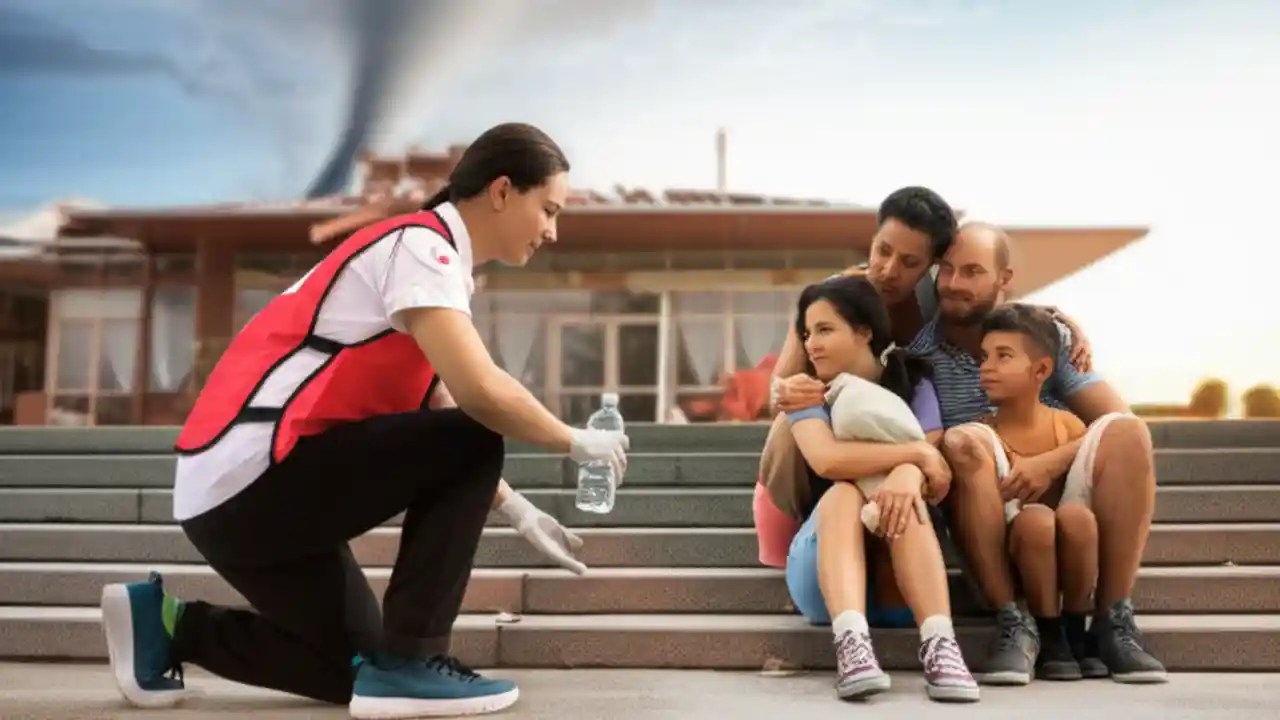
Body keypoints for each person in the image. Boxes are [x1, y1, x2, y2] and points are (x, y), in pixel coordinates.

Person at [97, 123, 631, 719]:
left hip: (232, 496)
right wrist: (575, 440)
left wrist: (515, 507)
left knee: (356, 668)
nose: (553, 230)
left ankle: (169, 627)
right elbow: (479, 394)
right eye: (549, 208)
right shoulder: (422, 249)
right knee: (477, 437)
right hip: (253, 477)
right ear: (503, 191)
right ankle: (414, 663)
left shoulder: (431, 265)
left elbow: (438, 410)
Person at [914, 221, 1165, 685]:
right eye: (945, 270)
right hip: (989, 501)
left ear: (1003, 280)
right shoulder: (919, 354)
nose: (953, 284)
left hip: (1063, 495)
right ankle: (1015, 621)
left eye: (972, 271)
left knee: (1129, 433)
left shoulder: (1044, 336)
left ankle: (1111, 621)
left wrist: (1049, 461)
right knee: (961, 442)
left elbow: (1115, 422)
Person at [753, 275, 979, 703]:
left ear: (863, 331)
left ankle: (940, 643)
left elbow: (936, 468)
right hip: (822, 584)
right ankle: (852, 645)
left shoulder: (914, 382)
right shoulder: (805, 392)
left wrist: (911, 472)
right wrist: (916, 458)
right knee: (842, 492)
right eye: (806, 333)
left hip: (900, 585)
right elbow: (828, 460)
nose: (811, 344)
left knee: (905, 492)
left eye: (824, 330)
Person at [772, 186, 1095, 415]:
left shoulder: (940, 294)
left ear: (931, 266)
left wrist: (1061, 322)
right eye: (883, 251)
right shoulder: (831, 299)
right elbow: (776, 397)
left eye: (910, 262)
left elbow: (992, 307)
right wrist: (792, 391)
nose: (888, 270)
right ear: (872, 241)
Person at [971, 304, 1100, 681]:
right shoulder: (983, 432)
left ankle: (1074, 626)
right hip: (1019, 552)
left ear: (1042, 370)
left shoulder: (1067, 426)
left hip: (1069, 552)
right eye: (983, 357)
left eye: (1003, 356)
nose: (986, 366)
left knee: (1077, 517)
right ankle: (1048, 631)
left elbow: (1096, 444)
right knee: (1037, 519)